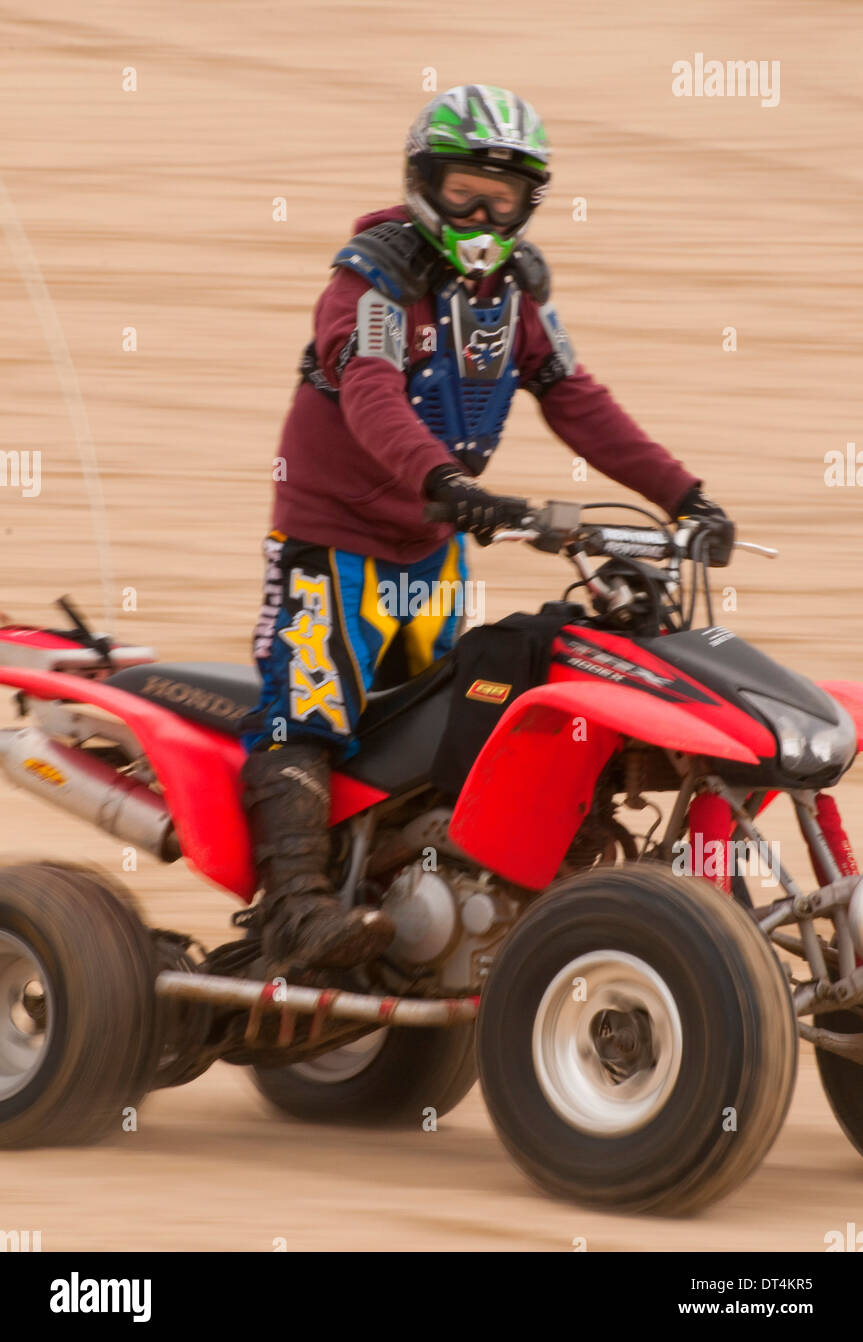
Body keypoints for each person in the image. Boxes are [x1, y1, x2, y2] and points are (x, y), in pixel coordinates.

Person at [241, 82, 727, 972]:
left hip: (432, 549)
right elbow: (372, 397)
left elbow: (577, 400)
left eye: (503, 196)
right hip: (331, 543)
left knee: (426, 737)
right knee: (307, 716)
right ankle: (295, 912)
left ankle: (422, 894)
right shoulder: (373, 281)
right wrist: (447, 481)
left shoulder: (516, 294)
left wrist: (683, 495)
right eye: (465, 187)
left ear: (527, 204)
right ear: (425, 180)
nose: (481, 210)